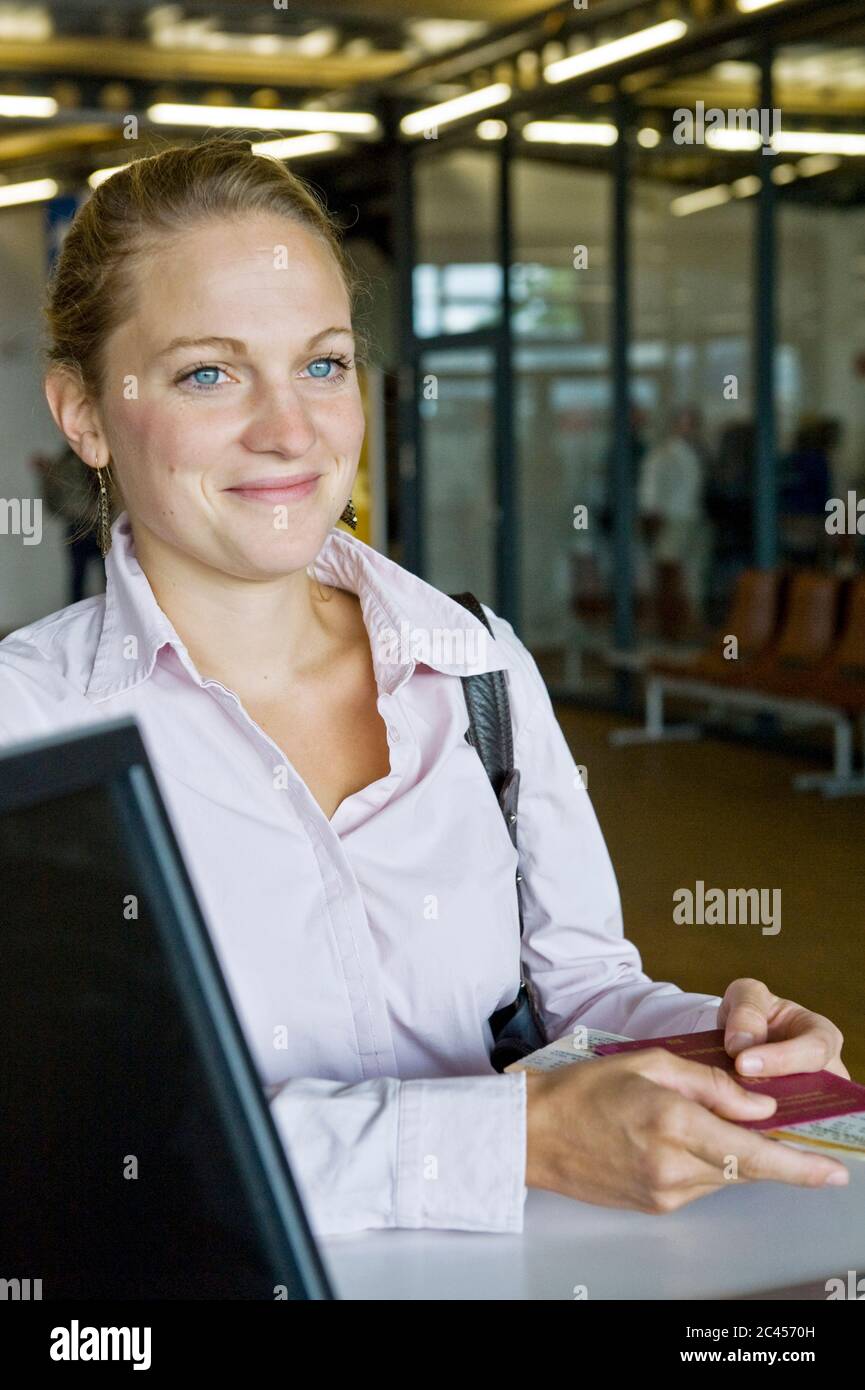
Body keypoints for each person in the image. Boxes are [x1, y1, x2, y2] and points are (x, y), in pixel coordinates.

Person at [0, 141, 850, 1239]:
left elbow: (578, 994)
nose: (291, 428)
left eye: (322, 362)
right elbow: (78, 1144)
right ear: (81, 410)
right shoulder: (30, 729)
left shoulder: (475, 668)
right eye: (208, 371)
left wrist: (713, 1043)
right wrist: (514, 1136)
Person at [637, 406, 708, 641]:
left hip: (690, 518)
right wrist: (654, 520)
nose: (689, 429)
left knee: (687, 574)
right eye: (684, 423)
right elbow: (650, 493)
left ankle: (682, 626)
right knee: (669, 572)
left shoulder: (695, 452)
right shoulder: (663, 455)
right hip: (672, 519)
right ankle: (669, 627)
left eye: (692, 423)